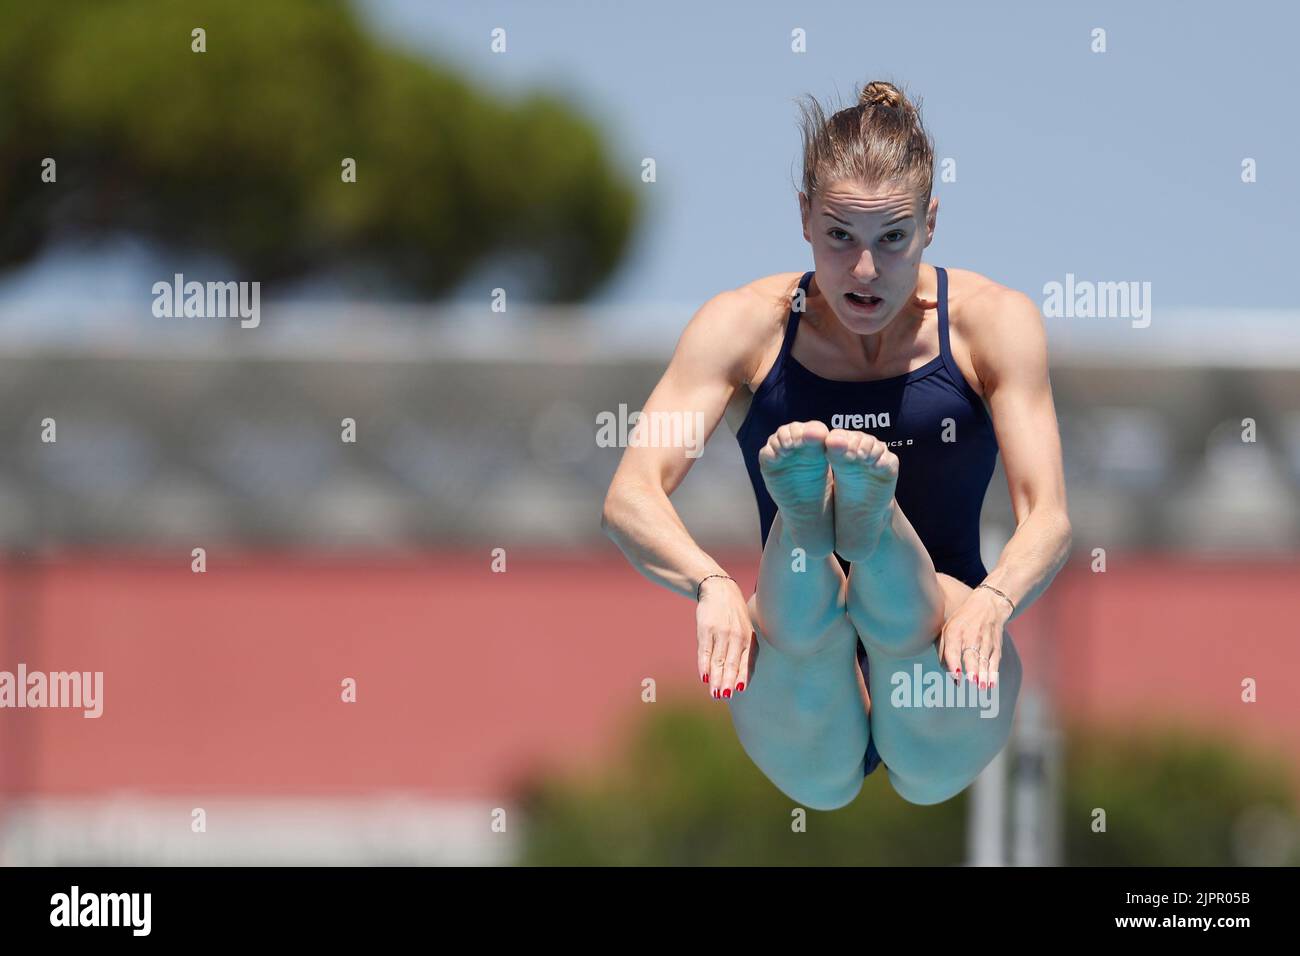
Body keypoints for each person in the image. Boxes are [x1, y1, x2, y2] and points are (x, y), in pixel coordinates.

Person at [601, 80, 1072, 809]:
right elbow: (631, 495)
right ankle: (823, 525)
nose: (863, 271)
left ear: (930, 222)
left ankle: (860, 522)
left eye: (892, 239)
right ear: (803, 217)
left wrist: (995, 602)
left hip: (944, 643)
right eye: (839, 236)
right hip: (805, 647)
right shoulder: (743, 327)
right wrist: (712, 585)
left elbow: (1048, 514)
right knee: (795, 628)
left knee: (923, 613)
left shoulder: (992, 324)